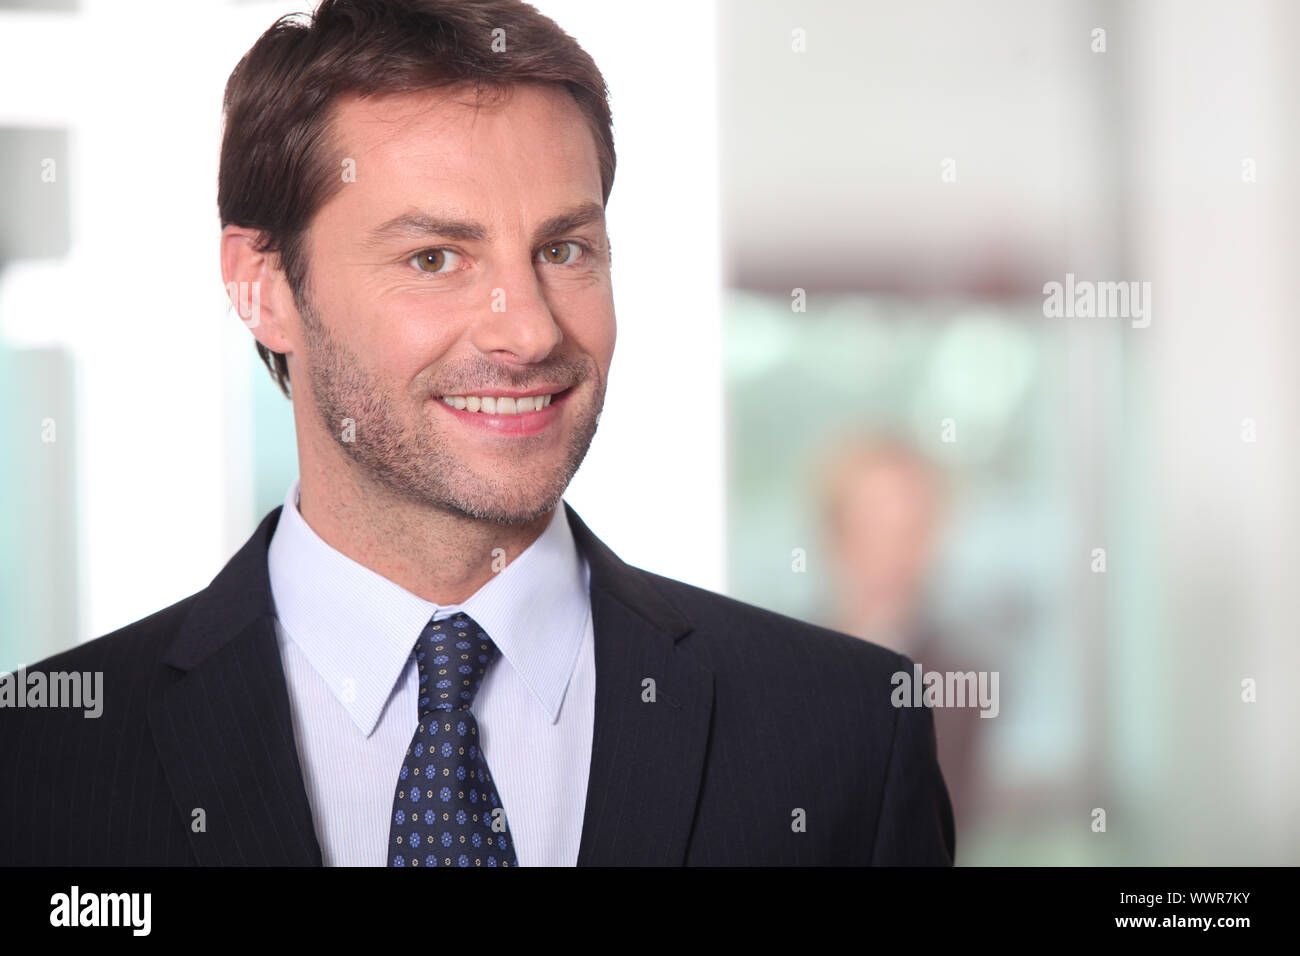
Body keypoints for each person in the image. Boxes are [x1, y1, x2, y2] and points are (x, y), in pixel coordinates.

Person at [0, 0, 954, 867]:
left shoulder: (844, 736)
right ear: (265, 287)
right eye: (435, 258)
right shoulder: (38, 763)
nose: (529, 331)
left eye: (563, 250)